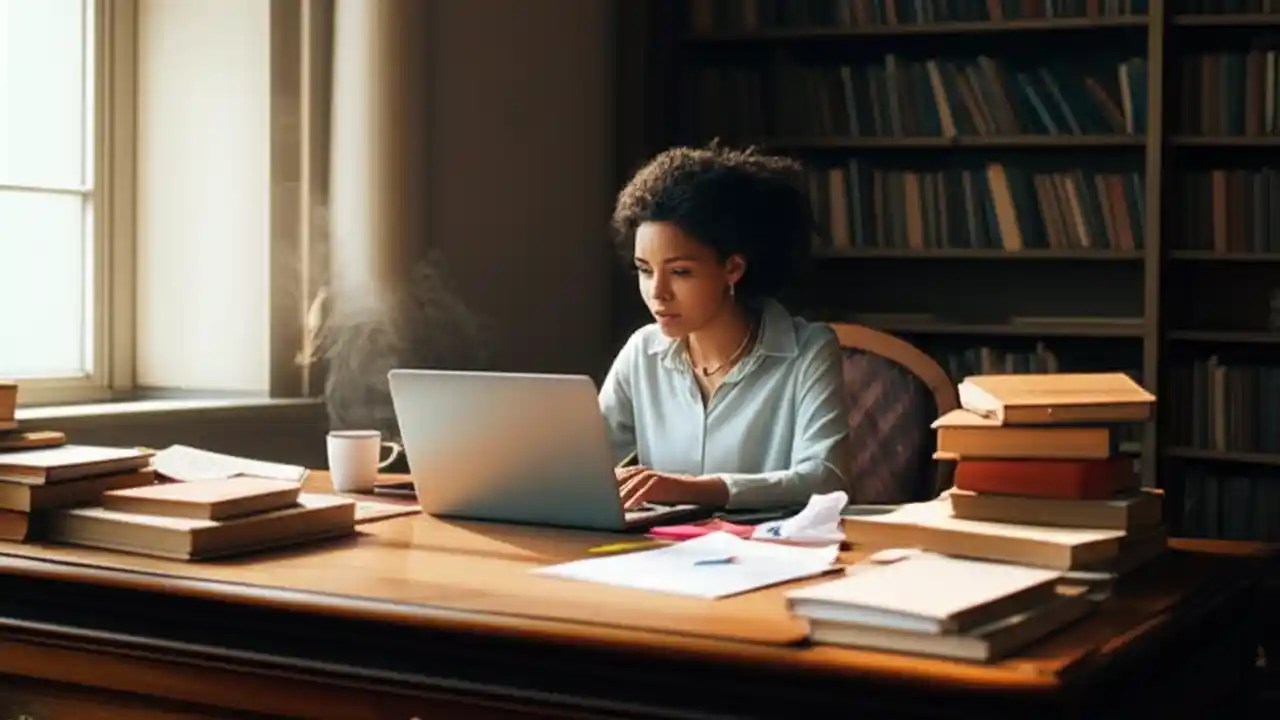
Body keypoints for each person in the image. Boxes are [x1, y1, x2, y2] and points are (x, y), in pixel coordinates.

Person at [599, 144, 852, 511]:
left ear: (732, 268)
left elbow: (826, 479)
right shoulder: (642, 352)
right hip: (658, 557)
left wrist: (690, 489)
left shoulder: (809, 350)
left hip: (769, 556)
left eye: (680, 272)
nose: (658, 293)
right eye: (644, 269)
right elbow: (582, 464)